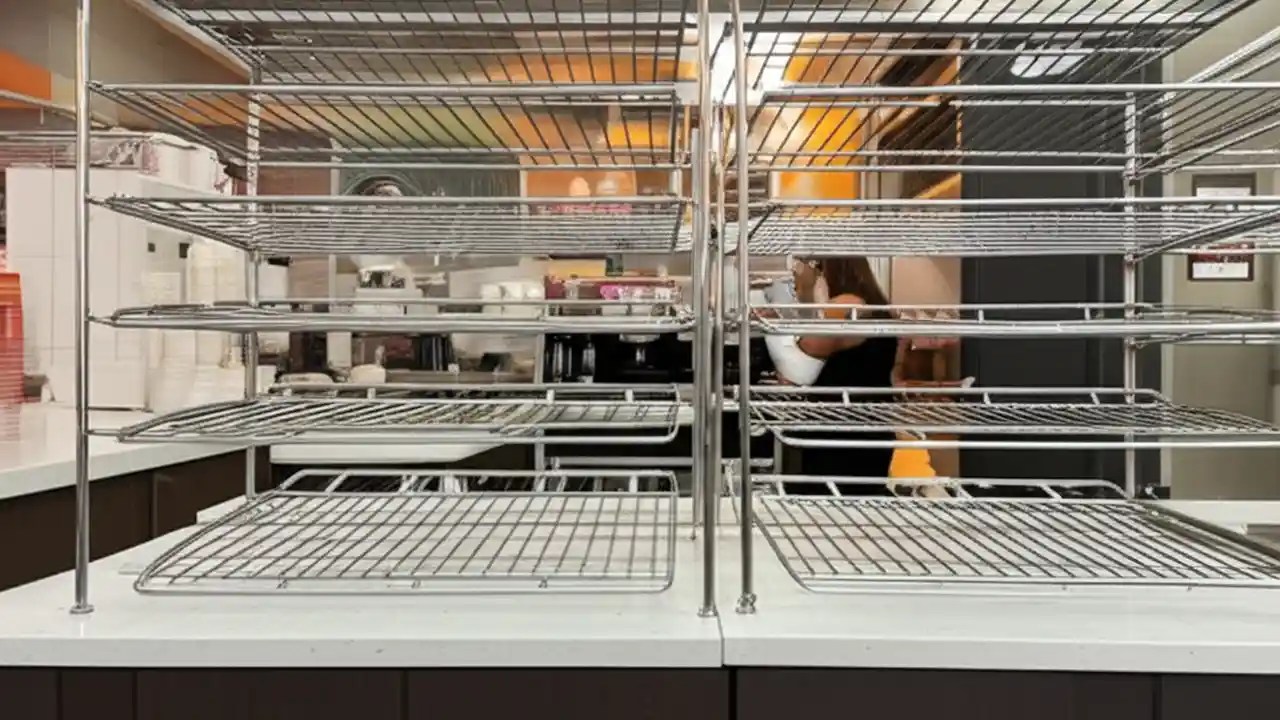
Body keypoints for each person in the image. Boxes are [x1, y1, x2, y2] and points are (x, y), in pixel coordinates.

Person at [785, 256, 899, 494]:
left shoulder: (846, 304)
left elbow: (803, 355)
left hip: (841, 427)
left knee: (831, 504)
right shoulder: (877, 305)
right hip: (872, 422)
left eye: (816, 266)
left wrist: (805, 292)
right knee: (860, 505)